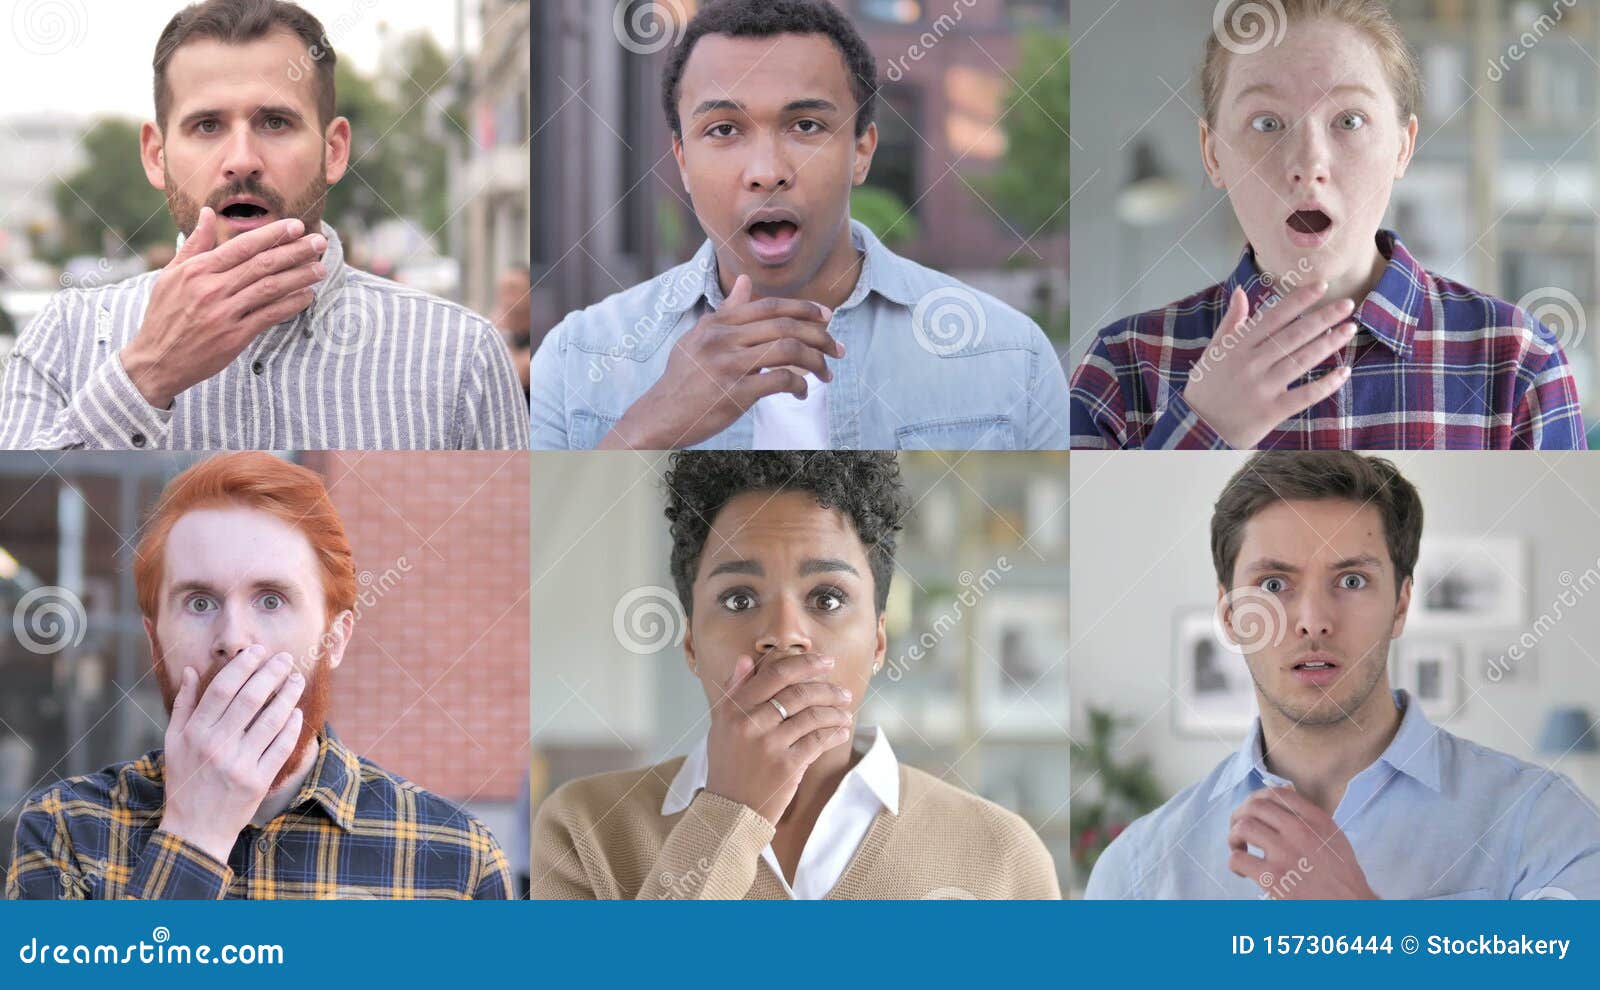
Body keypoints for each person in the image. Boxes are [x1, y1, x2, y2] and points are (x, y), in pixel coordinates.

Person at [529, 0, 1068, 451]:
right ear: (683, 161)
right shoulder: (577, 358)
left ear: (861, 151)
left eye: (806, 125)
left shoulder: (1010, 357)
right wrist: (644, 431)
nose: (767, 172)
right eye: (723, 130)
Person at [0, 0, 527, 450]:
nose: (242, 161)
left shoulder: (462, 358)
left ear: (334, 150)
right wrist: (147, 372)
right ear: (157, 156)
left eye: (275, 122)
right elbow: (26, 516)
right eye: (207, 125)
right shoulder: (63, 339)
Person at [531, 452, 1060, 899]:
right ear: (691, 643)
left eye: (826, 599)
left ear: (878, 642)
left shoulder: (1003, 857)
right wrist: (729, 814)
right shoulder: (583, 831)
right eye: (739, 599)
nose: (784, 635)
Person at [1070, 0, 1585, 450]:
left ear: (1403, 147)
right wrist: (1204, 428)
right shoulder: (1122, 367)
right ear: (1213, 154)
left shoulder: (1520, 362)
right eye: (1267, 123)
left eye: (1349, 120)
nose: (1308, 163)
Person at [1086, 451, 1600, 899]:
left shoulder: (1545, 824)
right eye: (1273, 584)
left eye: (1352, 580)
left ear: (1400, 606)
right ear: (1230, 615)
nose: (1314, 620)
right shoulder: (1135, 873)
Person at [5, 453, 513, 899]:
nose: (234, 638)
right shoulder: (63, 831)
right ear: (155, 639)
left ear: (335, 639)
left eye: (271, 600)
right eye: (199, 602)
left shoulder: (457, 860)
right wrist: (194, 837)